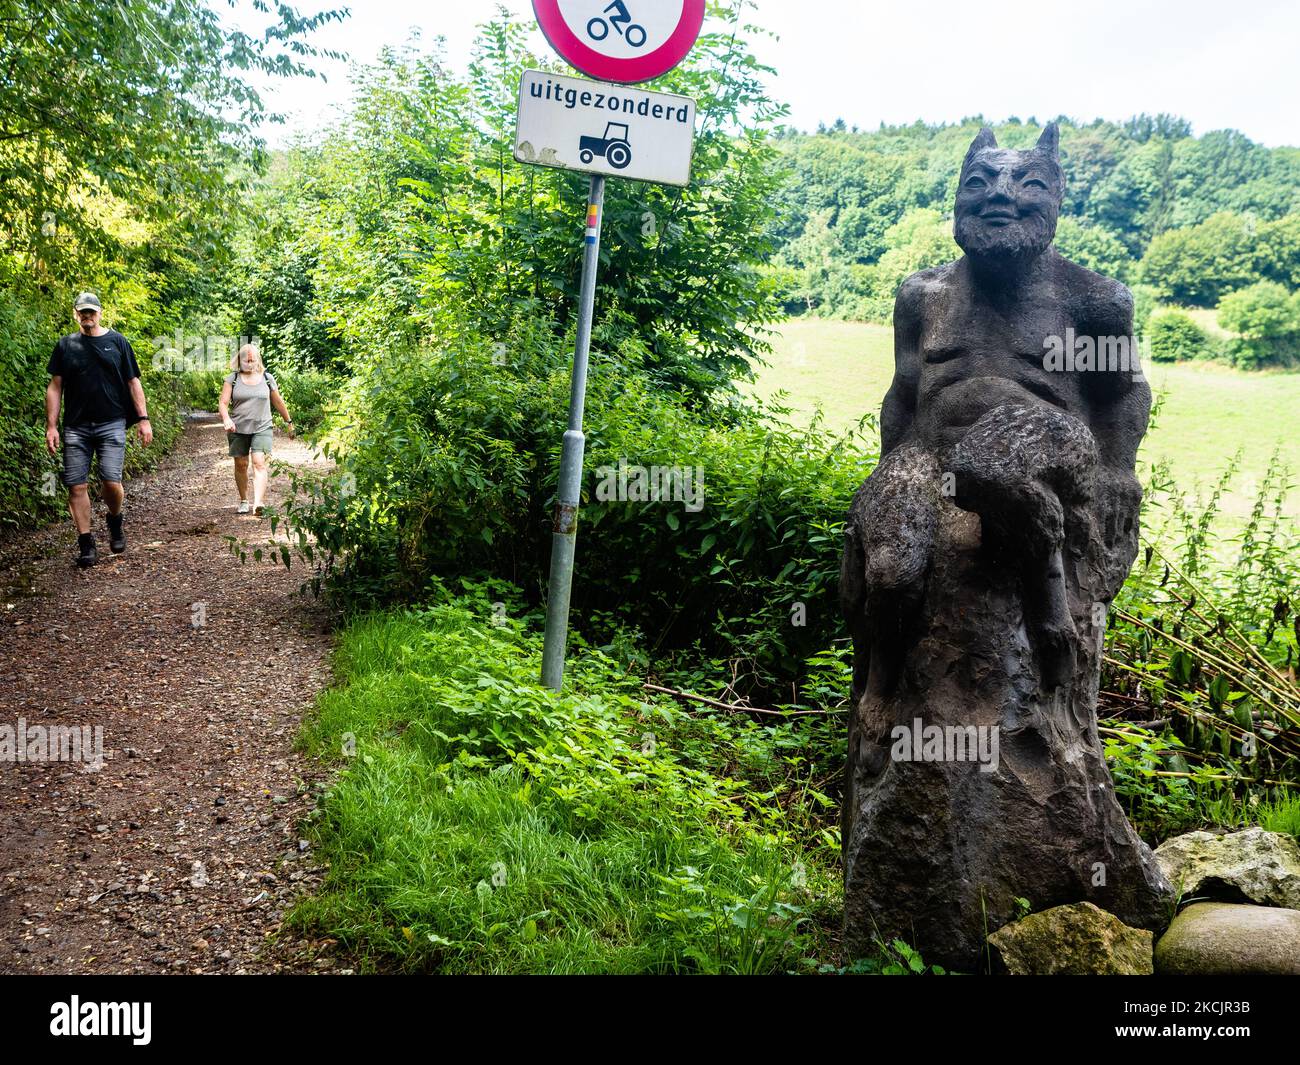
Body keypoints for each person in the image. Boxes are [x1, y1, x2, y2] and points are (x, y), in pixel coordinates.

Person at [45, 291, 153, 568]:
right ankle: (86, 542)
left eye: (91, 311)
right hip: (76, 427)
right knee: (76, 485)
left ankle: (115, 519)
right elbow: (55, 387)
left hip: (112, 423)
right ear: (75, 313)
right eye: (82, 311)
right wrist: (52, 426)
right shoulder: (66, 345)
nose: (87, 316)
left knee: (110, 481)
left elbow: (133, 382)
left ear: (100, 312)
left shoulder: (117, 342)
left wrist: (143, 419)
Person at [218, 343, 293, 515]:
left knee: (259, 462)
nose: (250, 364)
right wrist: (226, 419)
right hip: (237, 427)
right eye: (247, 360)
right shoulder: (232, 379)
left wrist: (289, 421)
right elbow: (223, 403)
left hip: (263, 426)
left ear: (258, 360)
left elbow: (277, 401)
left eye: (253, 360)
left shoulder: (267, 378)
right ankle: (244, 500)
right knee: (241, 464)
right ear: (240, 360)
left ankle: (258, 503)